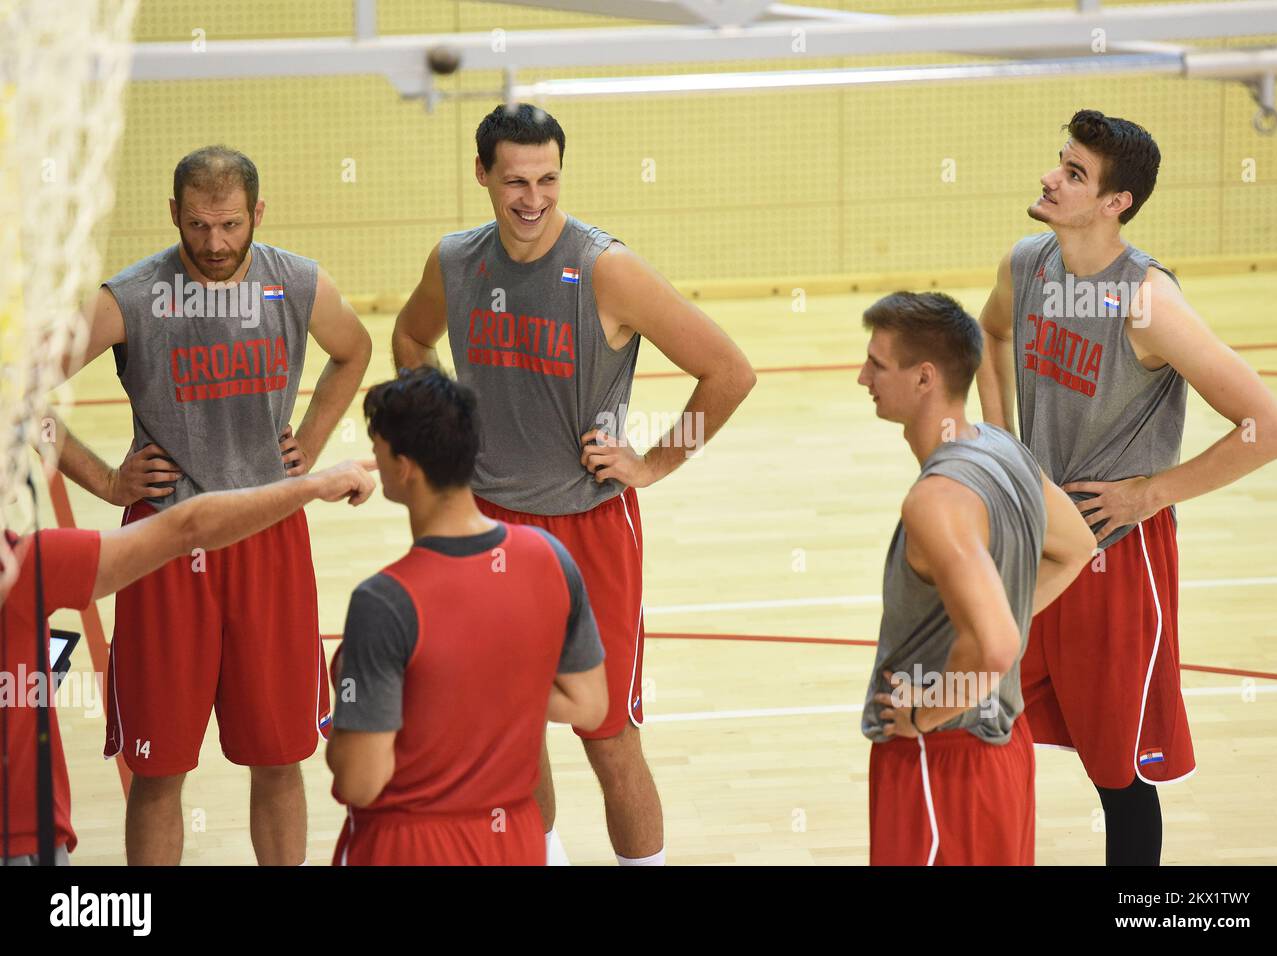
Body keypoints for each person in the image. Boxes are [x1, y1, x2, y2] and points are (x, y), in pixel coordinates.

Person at [391, 104, 755, 866]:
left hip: (587, 531)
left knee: (609, 737)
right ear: (482, 174)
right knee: (509, 733)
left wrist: (653, 463)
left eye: (548, 179)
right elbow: (409, 337)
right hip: (484, 526)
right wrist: (443, 435)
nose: (533, 198)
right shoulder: (456, 261)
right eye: (515, 180)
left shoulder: (604, 269)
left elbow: (728, 371)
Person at [975, 109, 1277, 865]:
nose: (1051, 178)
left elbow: (1271, 428)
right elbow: (987, 333)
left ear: (1116, 203)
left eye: (1075, 174)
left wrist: (1149, 493)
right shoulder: (1027, 264)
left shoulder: (1149, 303)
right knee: (977, 720)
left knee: (1117, 774)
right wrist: (1000, 447)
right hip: (1034, 540)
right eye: (1060, 162)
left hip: (1117, 556)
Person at [54, 144, 373, 865]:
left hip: (269, 540)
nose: (215, 243)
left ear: (257, 213)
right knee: (159, 768)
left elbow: (353, 350)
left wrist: (313, 443)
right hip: (162, 548)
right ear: (174, 215)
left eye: (230, 225)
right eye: (198, 225)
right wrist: (107, 481)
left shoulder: (296, 282)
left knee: (280, 754)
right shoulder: (130, 296)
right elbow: (21, 388)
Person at [0, 459, 376, 865]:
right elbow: (188, 528)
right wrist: (312, 485)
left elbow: (189, 528)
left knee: (275, 759)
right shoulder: (24, 569)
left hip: (24, 834)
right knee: (160, 771)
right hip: (24, 839)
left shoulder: (30, 566)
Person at [326, 368, 607, 865]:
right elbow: (588, 706)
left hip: (409, 846)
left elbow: (359, 781)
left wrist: (357, 701)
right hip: (514, 841)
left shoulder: (383, 602)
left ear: (405, 467)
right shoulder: (549, 559)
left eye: (379, 450)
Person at [858, 292, 1094, 866]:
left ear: (924, 378)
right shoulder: (1002, 448)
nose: (861, 376)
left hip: (942, 759)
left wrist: (923, 713)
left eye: (877, 364)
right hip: (1004, 748)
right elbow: (1077, 548)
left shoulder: (936, 502)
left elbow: (994, 644)